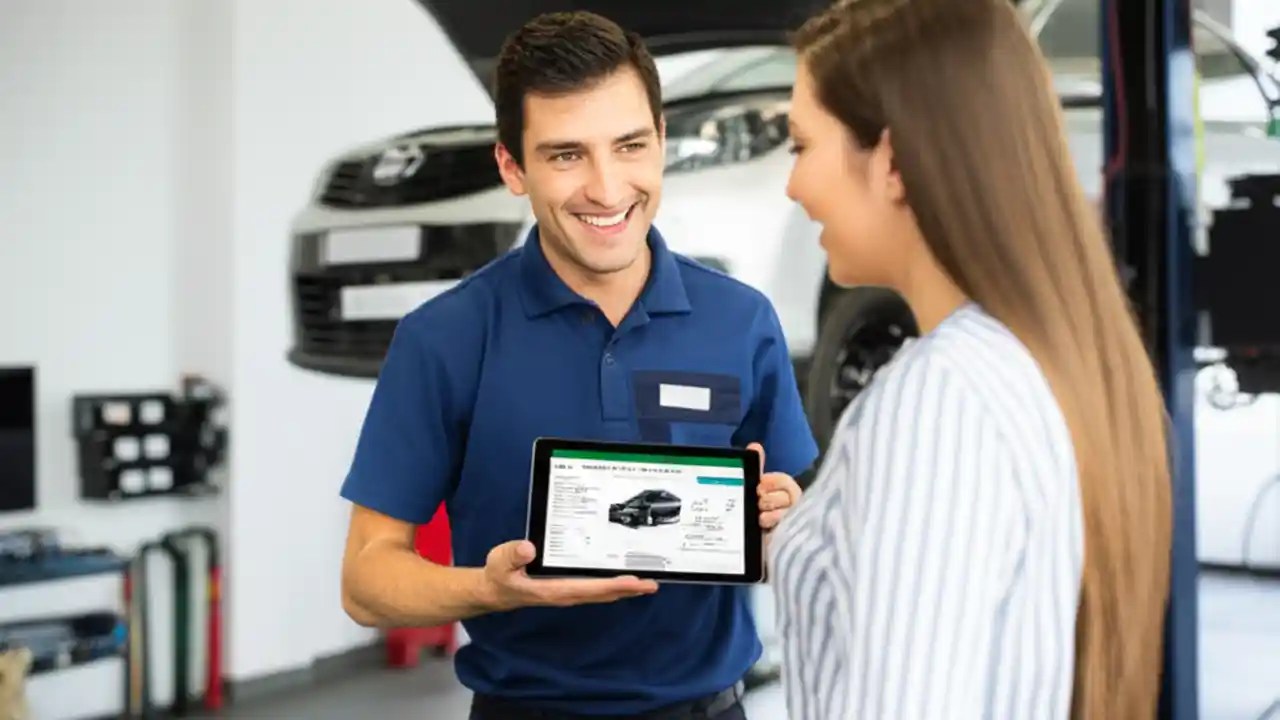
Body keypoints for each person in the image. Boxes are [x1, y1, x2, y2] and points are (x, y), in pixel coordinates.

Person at [338, 10, 818, 720]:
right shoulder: (443, 338)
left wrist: (783, 521)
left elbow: (786, 526)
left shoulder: (741, 321)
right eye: (566, 155)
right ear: (512, 166)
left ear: (661, 141)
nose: (605, 187)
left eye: (629, 145)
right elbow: (366, 579)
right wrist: (488, 588)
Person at [770, 0, 1173, 718]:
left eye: (801, 145)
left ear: (891, 161)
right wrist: (822, 533)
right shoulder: (1040, 363)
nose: (793, 184)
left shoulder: (938, 401)